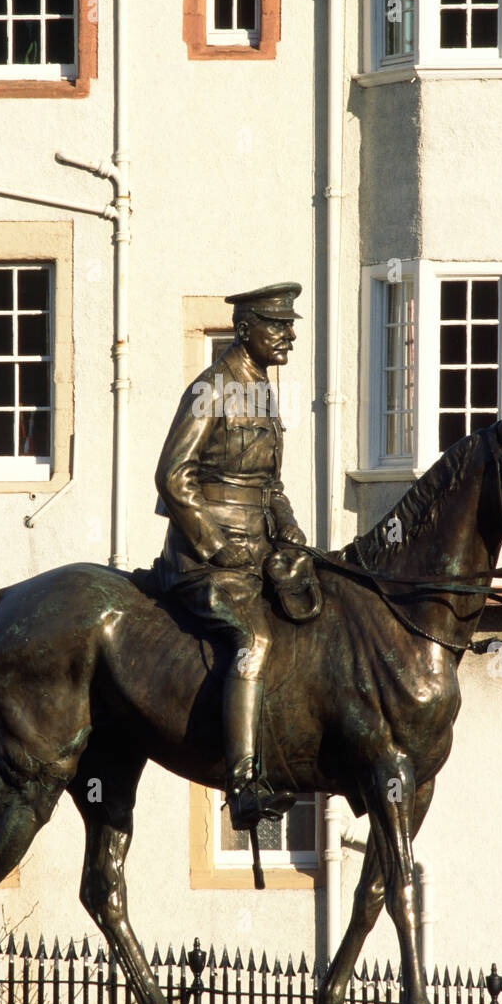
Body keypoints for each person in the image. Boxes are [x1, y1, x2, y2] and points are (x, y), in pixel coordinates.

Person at [154, 283, 318, 830]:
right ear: (246, 329)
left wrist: (289, 526)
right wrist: (217, 546)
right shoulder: (211, 390)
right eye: (278, 325)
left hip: (260, 551)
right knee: (255, 637)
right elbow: (173, 476)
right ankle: (244, 783)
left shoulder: (262, 393)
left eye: (290, 325)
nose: (289, 335)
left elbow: (269, 484)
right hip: (205, 563)